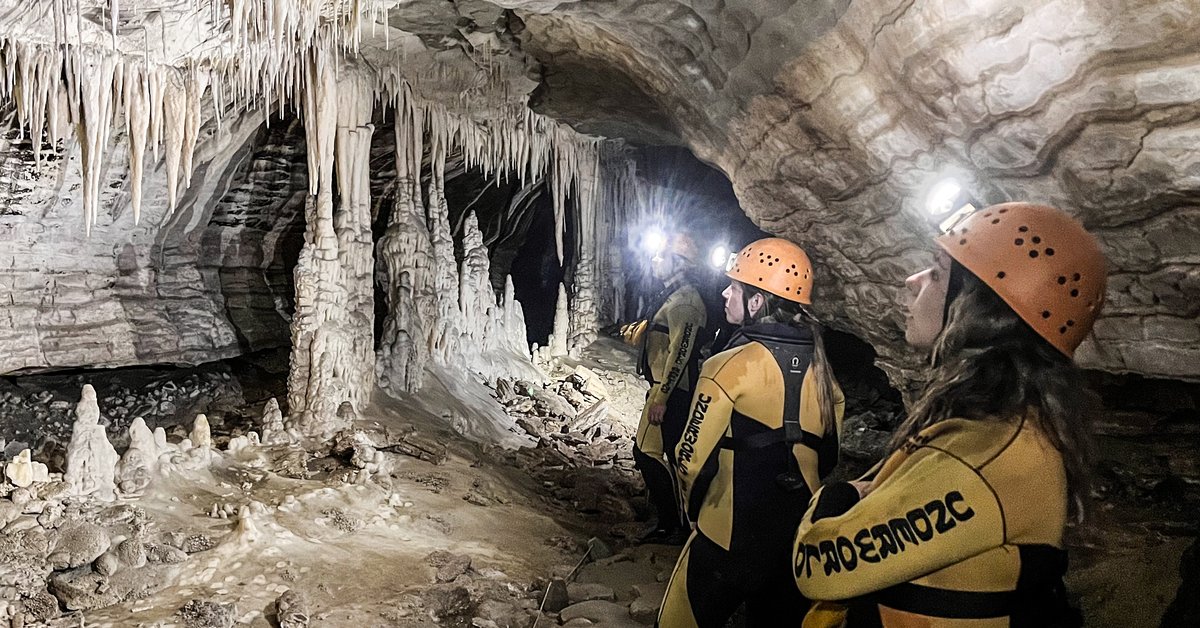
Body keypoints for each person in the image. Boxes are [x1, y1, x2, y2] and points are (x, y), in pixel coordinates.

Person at [793, 202, 1105, 627]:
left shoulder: (987, 455)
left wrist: (839, 497)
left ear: (980, 309)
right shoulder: (998, 428)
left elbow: (818, 564)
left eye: (938, 272)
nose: (911, 280)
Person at [658, 237, 845, 627]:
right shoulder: (829, 380)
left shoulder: (727, 366)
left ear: (757, 302)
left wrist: (694, 515)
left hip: (725, 539)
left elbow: (689, 460)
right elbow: (828, 460)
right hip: (793, 548)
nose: (726, 293)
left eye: (736, 287)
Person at [632, 232, 709, 544]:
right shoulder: (672, 298)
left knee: (654, 454)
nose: (654, 260)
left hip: (675, 392)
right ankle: (671, 521)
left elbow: (681, 353)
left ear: (679, 265)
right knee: (651, 452)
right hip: (664, 388)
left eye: (661, 256)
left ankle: (675, 525)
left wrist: (662, 397)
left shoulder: (686, 304)